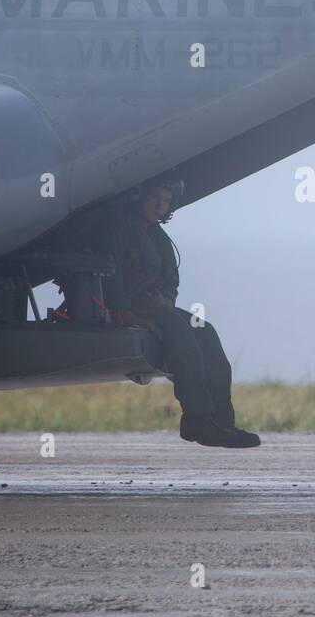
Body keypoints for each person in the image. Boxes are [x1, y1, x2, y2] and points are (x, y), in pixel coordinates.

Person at [103, 177, 261, 449]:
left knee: (205, 331)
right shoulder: (119, 232)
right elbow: (111, 274)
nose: (159, 205)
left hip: (159, 306)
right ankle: (197, 420)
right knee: (182, 339)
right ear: (141, 197)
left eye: (165, 201)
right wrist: (124, 311)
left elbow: (171, 279)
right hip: (134, 307)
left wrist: (166, 300)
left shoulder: (158, 237)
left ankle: (222, 423)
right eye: (154, 198)